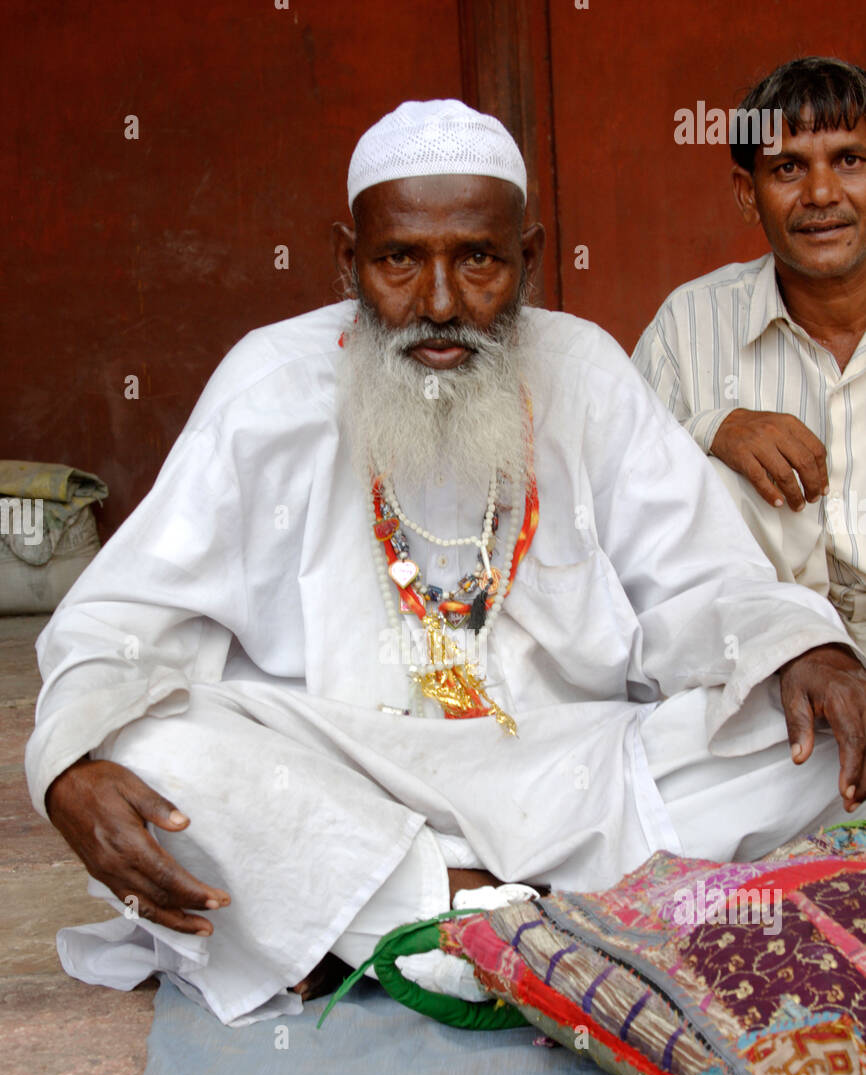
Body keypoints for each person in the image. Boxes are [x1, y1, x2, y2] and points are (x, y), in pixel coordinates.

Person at [29, 99, 866, 1026]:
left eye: (477, 258)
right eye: (398, 260)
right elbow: (113, 625)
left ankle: (423, 919)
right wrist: (68, 767)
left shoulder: (581, 370)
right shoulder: (269, 386)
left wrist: (803, 646)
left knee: (823, 734)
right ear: (348, 260)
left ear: (531, 258)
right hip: (337, 762)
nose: (438, 302)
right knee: (149, 748)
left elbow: (702, 578)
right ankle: (531, 916)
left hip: (568, 765)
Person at [633, 57, 866, 649]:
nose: (821, 193)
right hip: (760, 663)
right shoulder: (688, 325)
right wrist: (712, 429)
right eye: (788, 167)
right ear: (747, 193)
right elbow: (616, 494)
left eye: (849, 161)